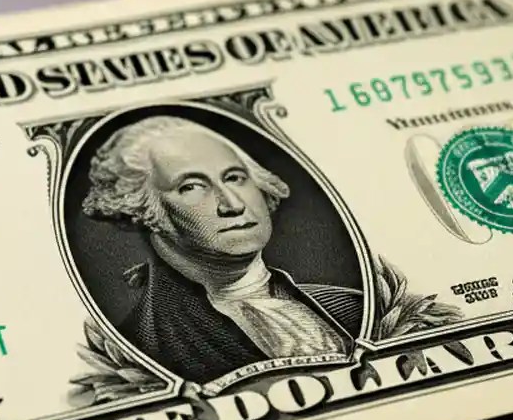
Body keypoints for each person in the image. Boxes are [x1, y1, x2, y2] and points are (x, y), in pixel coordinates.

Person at [82, 114, 363, 384]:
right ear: (141, 208)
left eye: (234, 178)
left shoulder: (352, 307)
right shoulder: (141, 350)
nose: (233, 204)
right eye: (191, 186)